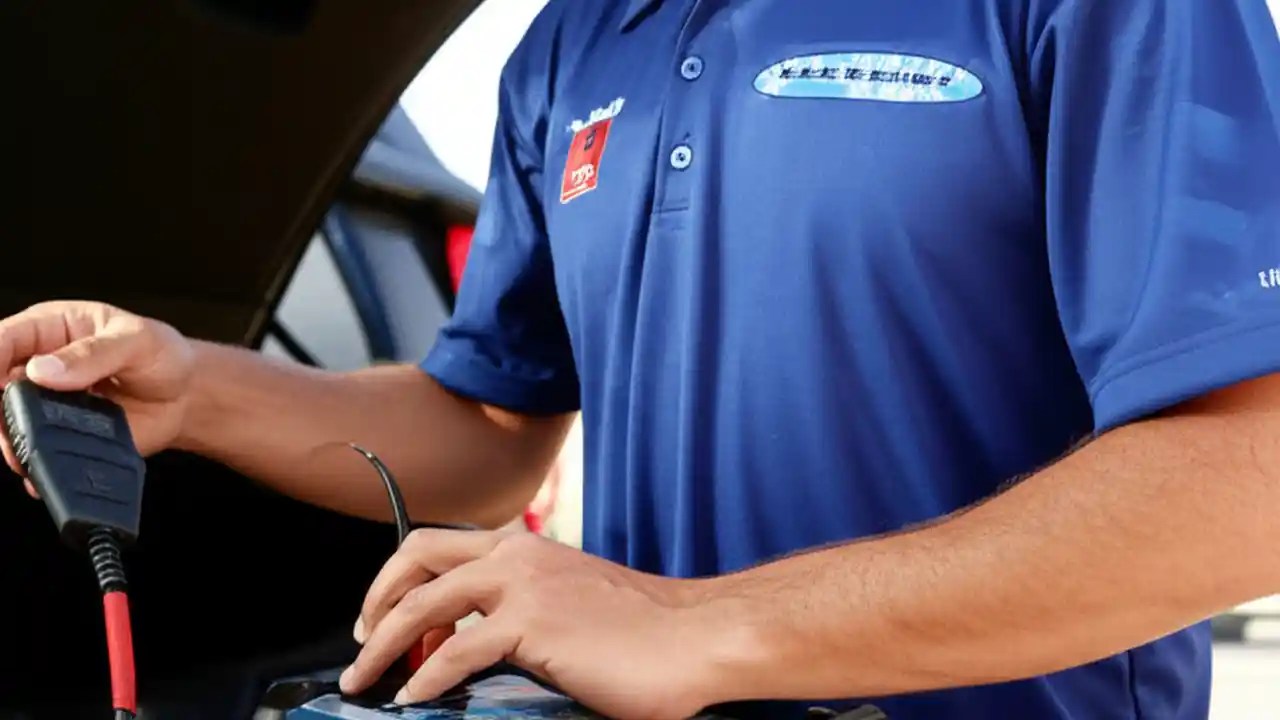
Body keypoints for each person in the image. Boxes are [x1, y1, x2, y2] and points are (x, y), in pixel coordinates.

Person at [5, 0, 1280, 717]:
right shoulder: (568, 48)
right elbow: (488, 432)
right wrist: (198, 385)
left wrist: (694, 623)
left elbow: (1251, 477)